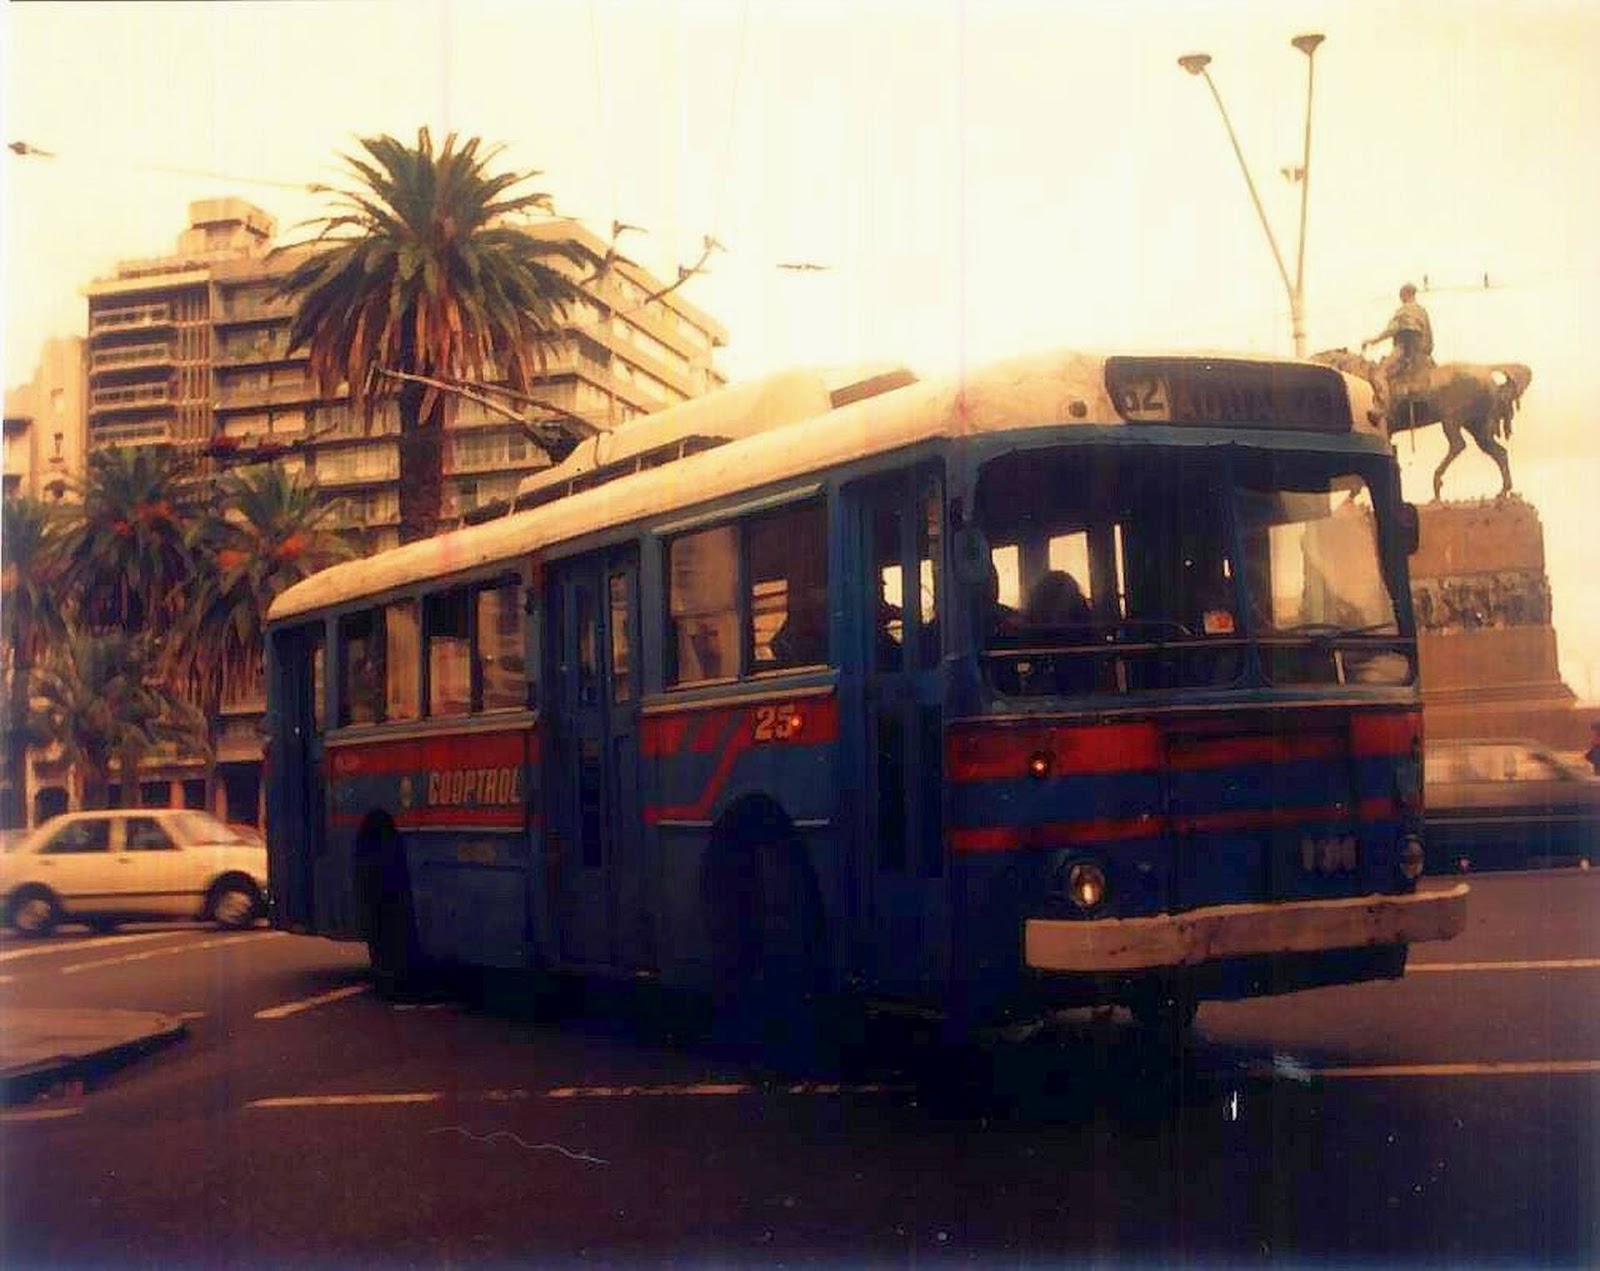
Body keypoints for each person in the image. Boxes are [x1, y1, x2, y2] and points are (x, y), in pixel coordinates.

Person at [1362, 283, 1435, 401]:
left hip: (1403, 352)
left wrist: (1372, 341)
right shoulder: (1422, 311)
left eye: (1401, 295)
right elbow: (1430, 338)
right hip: (1423, 356)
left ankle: (1382, 408)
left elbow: (1392, 330)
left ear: (1404, 294)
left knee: (1379, 375)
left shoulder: (1404, 310)